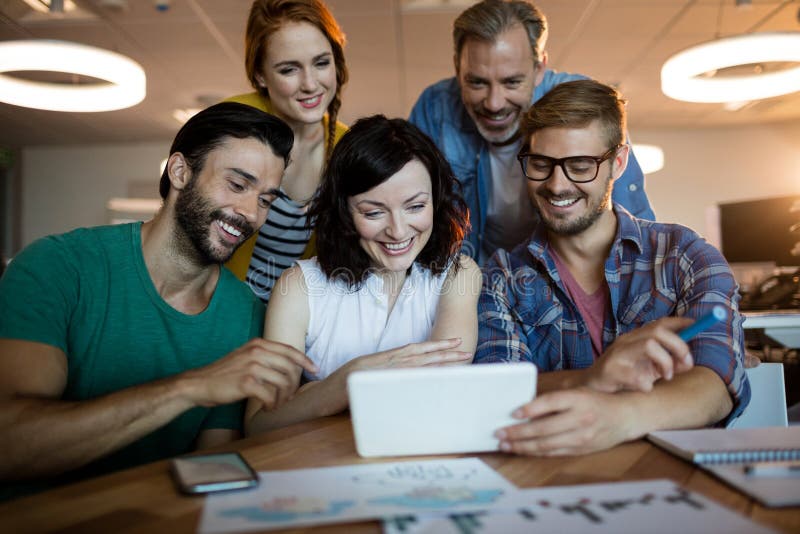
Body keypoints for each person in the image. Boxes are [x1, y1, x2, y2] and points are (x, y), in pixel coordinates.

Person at [0, 102, 317, 497]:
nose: (250, 213)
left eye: (267, 200)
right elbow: (9, 444)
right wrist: (190, 388)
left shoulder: (248, 316)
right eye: (237, 185)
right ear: (180, 171)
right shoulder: (56, 267)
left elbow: (213, 472)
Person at [475, 80, 750, 456]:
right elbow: (494, 392)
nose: (557, 185)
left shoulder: (685, 255)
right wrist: (592, 379)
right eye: (541, 165)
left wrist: (619, 414)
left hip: (675, 479)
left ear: (618, 163)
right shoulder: (502, 277)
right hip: (548, 476)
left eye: (580, 166)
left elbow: (715, 383)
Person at [246, 115, 481, 434]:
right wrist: (348, 379)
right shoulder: (300, 286)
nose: (398, 231)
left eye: (415, 207)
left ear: (436, 202)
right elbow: (259, 423)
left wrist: (315, 396)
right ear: (343, 211)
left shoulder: (458, 274)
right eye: (373, 212)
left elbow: (442, 387)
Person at [409, 0, 655, 263]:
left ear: (539, 68)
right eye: (477, 82)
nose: (494, 103)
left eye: (512, 82)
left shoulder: (583, 107)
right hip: (472, 275)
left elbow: (631, 225)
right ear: (458, 68)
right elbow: (407, 211)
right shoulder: (435, 108)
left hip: (555, 279)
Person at [225, 0, 349, 304]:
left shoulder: (347, 146)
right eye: (289, 69)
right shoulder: (230, 125)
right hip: (221, 318)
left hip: (295, 324)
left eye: (321, 63)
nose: (310, 84)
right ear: (259, 76)